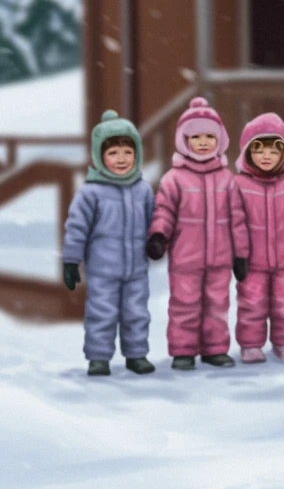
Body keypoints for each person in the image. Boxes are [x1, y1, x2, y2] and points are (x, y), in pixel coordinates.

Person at [147, 96, 249, 370]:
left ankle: (215, 349)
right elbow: (164, 211)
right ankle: (183, 351)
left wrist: (241, 254)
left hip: (220, 258)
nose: (203, 142)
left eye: (209, 136)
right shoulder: (174, 179)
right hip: (185, 258)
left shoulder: (227, 179)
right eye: (195, 137)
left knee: (217, 306)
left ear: (219, 141)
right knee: (184, 305)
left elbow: (237, 219)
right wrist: (159, 235)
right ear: (184, 141)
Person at [62, 109, 155, 376]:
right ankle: (98, 358)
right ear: (100, 157)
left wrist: (157, 240)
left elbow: (154, 220)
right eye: (113, 153)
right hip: (103, 269)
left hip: (136, 268)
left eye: (127, 152)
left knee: (136, 313)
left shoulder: (142, 188)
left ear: (136, 153)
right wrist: (70, 260)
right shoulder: (91, 192)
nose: (121, 159)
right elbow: (77, 227)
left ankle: (136, 355)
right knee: (101, 313)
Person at [233, 112, 284, 363]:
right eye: (259, 150)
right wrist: (239, 254)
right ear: (247, 153)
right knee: (252, 304)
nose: (266, 156)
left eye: (273, 150)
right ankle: (251, 345)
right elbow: (235, 223)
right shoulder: (240, 185)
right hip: (252, 262)